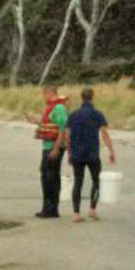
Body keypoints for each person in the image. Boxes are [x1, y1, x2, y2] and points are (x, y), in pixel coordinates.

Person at [62, 86, 116, 223]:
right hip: (92, 153)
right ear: (92, 97)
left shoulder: (73, 115)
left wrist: (69, 152)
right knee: (96, 181)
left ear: (82, 97)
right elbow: (104, 134)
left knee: (78, 182)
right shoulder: (97, 114)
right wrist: (111, 151)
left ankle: (76, 213)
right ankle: (92, 209)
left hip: (77, 153)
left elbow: (67, 135)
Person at [28, 85, 68, 218]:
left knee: (51, 176)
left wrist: (56, 148)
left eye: (44, 95)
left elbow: (62, 129)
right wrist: (35, 121)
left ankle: (52, 208)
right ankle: (47, 207)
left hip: (53, 147)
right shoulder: (52, 107)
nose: (43, 97)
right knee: (45, 175)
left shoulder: (60, 108)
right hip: (47, 145)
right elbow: (48, 123)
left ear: (49, 93)